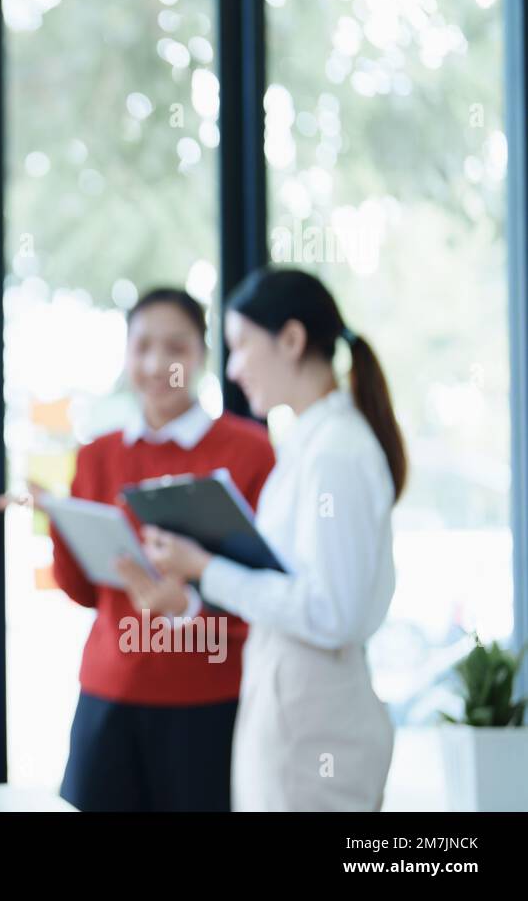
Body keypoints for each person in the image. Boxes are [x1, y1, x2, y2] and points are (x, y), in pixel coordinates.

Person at [121, 267, 405, 811]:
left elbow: (331, 613)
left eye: (242, 347)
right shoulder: (310, 444)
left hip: (316, 721)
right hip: (296, 709)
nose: (234, 368)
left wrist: (206, 568)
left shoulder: (334, 454)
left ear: (292, 341)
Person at [12, 288, 276, 811]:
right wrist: (60, 522)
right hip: (108, 696)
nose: (157, 364)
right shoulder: (97, 454)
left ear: (201, 355)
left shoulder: (251, 451)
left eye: (175, 348)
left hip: (211, 700)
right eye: (143, 347)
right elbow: (84, 592)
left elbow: (268, 591)